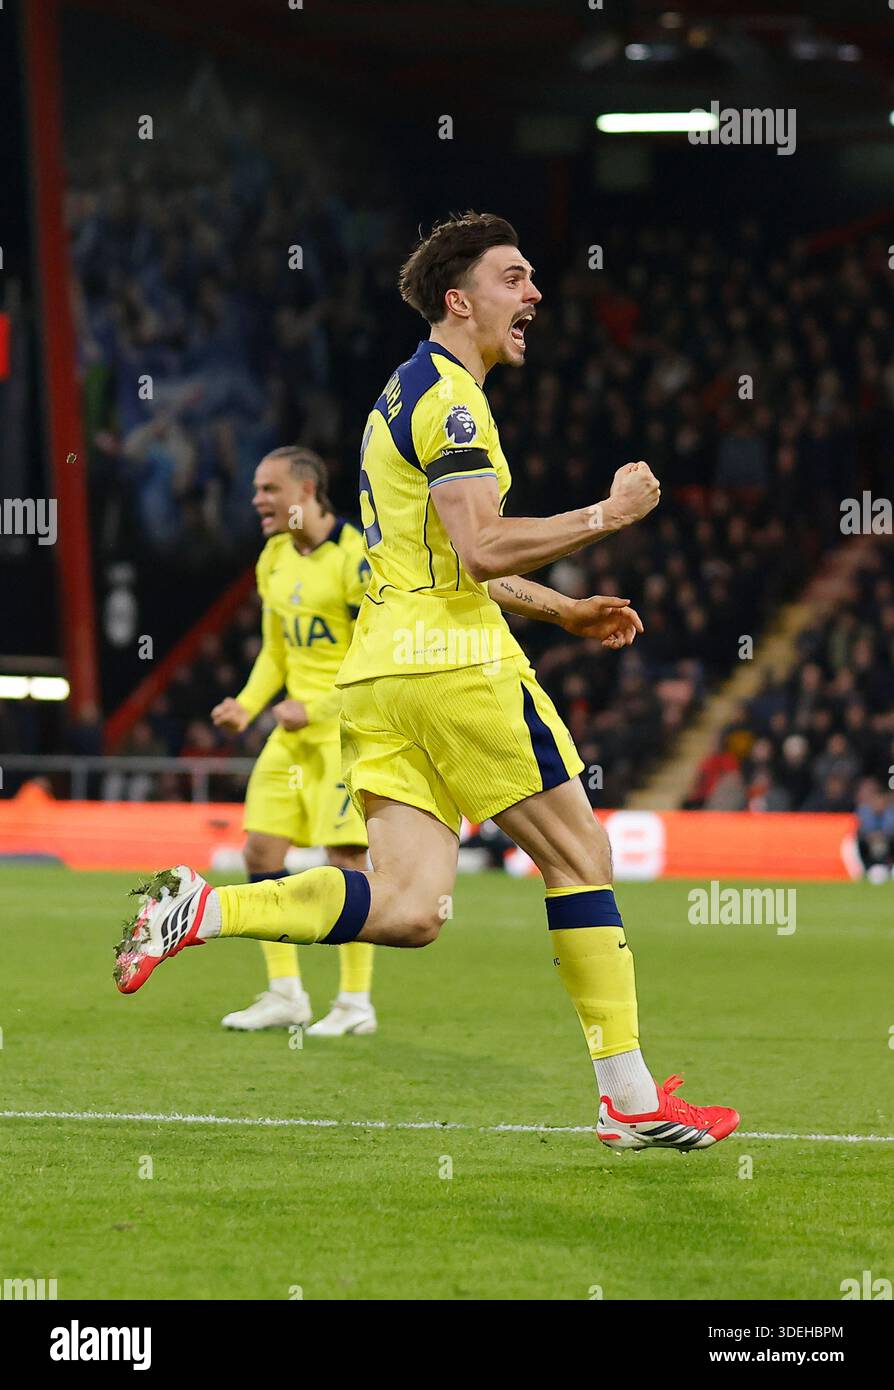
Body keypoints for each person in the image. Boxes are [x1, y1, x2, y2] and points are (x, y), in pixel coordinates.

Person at [114, 212, 738, 1153]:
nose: (534, 294)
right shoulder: (452, 402)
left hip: (379, 675)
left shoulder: (399, 395)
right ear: (460, 299)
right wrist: (608, 515)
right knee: (580, 859)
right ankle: (629, 1099)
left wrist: (565, 611)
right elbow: (482, 548)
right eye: (513, 278)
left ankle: (203, 909)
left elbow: (445, 556)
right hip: (457, 668)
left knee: (408, 909)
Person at [210, 446, 377, 1036]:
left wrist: (319, 707)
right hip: (292, 733)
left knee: (346, 862)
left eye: (269, 489)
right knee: (260, 852)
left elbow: (375, 653)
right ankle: (286, 993)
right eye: (257, 489)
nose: (258, 500)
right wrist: (246, 705)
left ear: (307, 491)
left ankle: (355, 1003)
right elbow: (276, 652)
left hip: (347, 732)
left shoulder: (357, 558)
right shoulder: (274, 558)